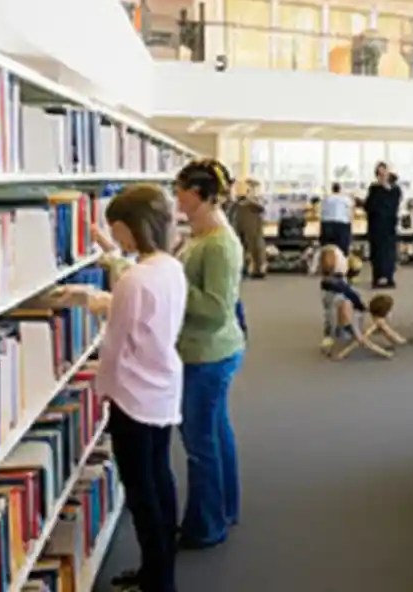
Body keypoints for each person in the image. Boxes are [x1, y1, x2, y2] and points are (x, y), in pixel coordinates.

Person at [85, 185, 185, 592]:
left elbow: (115, 343)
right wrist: (114, 258)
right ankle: (160, 572)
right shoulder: (169, 266)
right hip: (162, 387)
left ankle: (157, 582)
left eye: (117, 231)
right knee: (160, 479)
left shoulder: (134, 280)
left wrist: (99, 389)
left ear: (127, 227)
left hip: (132, 396)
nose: (118, 238)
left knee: (141, 495)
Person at [172, 159, 246, 549]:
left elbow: (217, 309)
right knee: (215, 432)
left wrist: (170, 283)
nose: (175, 196)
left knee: (200, 441)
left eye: (179, 188)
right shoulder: (202, 234)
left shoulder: (219, 243)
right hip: (204, 351)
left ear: (198, 194)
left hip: (208, 354)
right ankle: (224, 509)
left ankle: (206, 525)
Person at [364, 162, 403, 288]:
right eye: (379, 174)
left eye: (384, 174)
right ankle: (376, 278)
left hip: (389, 226)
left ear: (388, 174)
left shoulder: (395, 189)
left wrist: (386, 190)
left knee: (389, 253)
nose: (382, 176)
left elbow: (394, 206)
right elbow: (368, 206)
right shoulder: (373, 189)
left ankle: (389, 277)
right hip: (375, 226)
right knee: (376, 253)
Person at [231, 179, 267, 279]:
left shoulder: (255, 198)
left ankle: (258, 268)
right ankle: (248, 267)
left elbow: (259, 206)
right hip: (243, 214)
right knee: (243, 243)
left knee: (254, 242)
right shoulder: (240, 200)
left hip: (250, 214)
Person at [319, 182, 354, 255]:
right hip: (341, 224)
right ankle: (342, 262)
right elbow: (351, 211)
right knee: (342, 249)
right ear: (340, 189)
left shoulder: (326, 199)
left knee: (327, 248)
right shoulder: (345, 199)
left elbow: (322, 211)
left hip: (327, 224)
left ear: (332, 189)